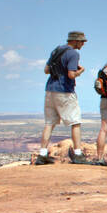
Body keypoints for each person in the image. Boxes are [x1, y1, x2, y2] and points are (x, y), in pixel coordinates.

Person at [38, 31, 87, 165]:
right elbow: (71, 75)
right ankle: (77, 154)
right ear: (75, 41)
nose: (83, 44)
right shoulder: (73, 53)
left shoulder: (56, 50)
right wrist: (80, 72)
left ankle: (42, 154)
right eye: (82, 41)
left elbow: (46, 70)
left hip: (50, 90)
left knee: (49, 123)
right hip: (64, 91)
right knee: (75, 122)